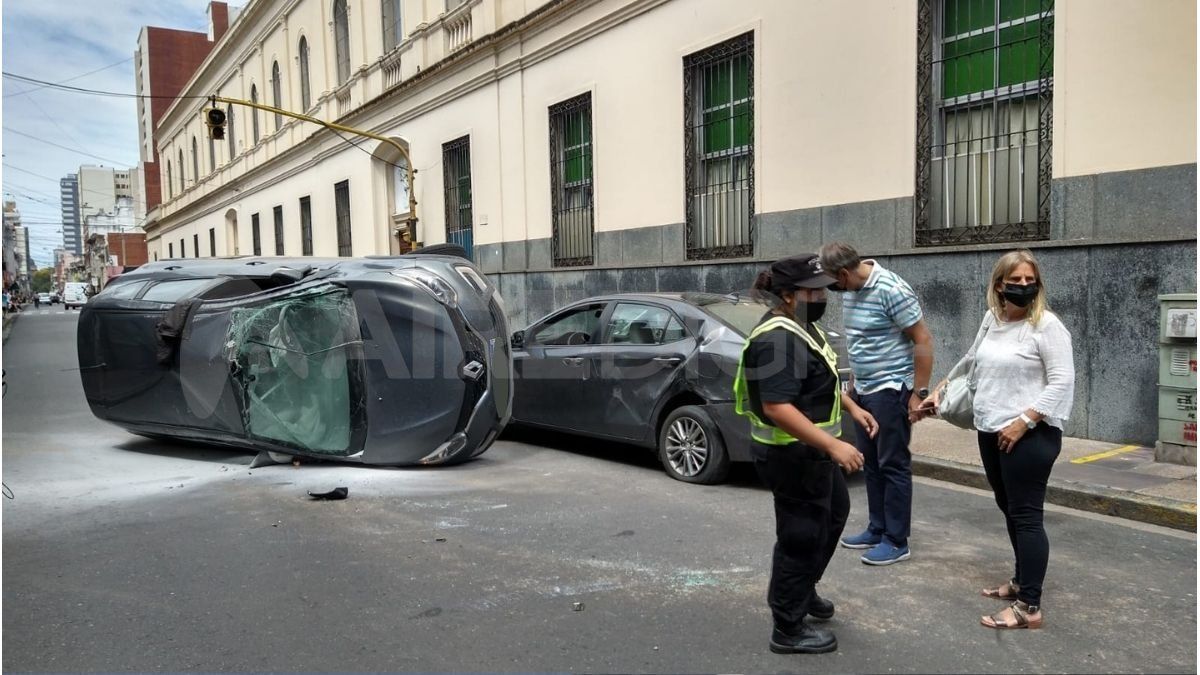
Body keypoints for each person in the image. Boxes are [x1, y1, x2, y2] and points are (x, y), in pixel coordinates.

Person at [733, 253, 878, 654]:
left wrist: (852, 407)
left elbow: (820, 381)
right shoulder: (777, 338)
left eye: (823, 289)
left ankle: (802, 590)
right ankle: (787, 627)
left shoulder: (802, 327)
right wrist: (834, 444)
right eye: (813, 290)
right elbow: (777, 407)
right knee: (801, 536)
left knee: (833, 514)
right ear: (788, 295)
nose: (822, 295)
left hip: (811, 453)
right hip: (791, 456)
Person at [924, 249, 1074, 630]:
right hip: (991, 428)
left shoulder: (1047, 326)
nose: (1023, 286)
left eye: (1030, 280)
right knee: (1008, 506)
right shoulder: (994, 318)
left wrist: (1024, 421)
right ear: (998, 285)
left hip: (1029, 434)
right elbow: (972, 358)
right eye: (1016, 280)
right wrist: (941, 386)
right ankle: (1022, 581)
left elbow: (1062, 382)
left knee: (1026, 516)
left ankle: (1029, 607)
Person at [819, 242, 934, 565]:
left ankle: (897, 540)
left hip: (890, 389)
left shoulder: (891, 289)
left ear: (843, 273)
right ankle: (877, 527)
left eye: (832, 281)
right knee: (870, 462)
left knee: (892, 463)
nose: (831, 289)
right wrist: (854, 387)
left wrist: (918, 393)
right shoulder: (852, 290)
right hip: (864, 390)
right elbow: (860, 341)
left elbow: (923, 339)